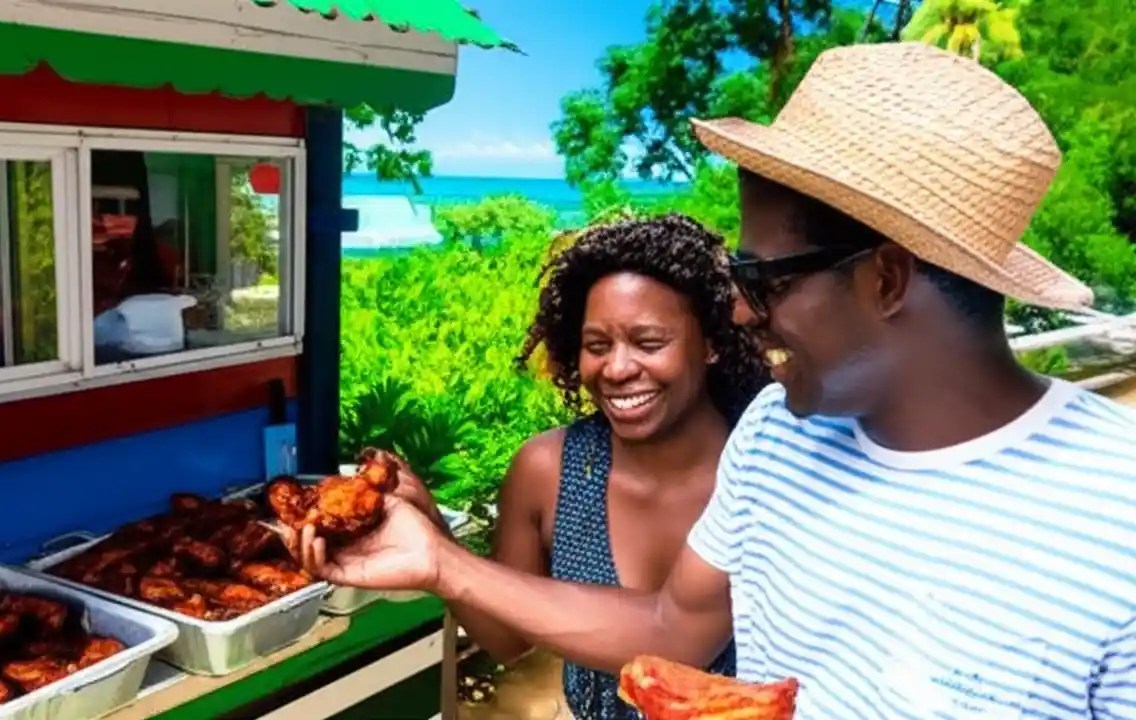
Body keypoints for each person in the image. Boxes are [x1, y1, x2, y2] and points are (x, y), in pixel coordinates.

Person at [289, 42, 1136, 718]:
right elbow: (670, 630)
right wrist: (441, 564)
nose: (737, 311)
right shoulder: (775, 436)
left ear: (886, 279)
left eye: (764, 279)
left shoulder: (1115, 516)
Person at [388, 213, 770, 719]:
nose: (616, 368)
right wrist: (432, 534)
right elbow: (512, 640)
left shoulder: (764, 471)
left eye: (649, 343)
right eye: (597, 346)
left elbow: (674, 637)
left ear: (713, 342)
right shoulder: (549, 470)